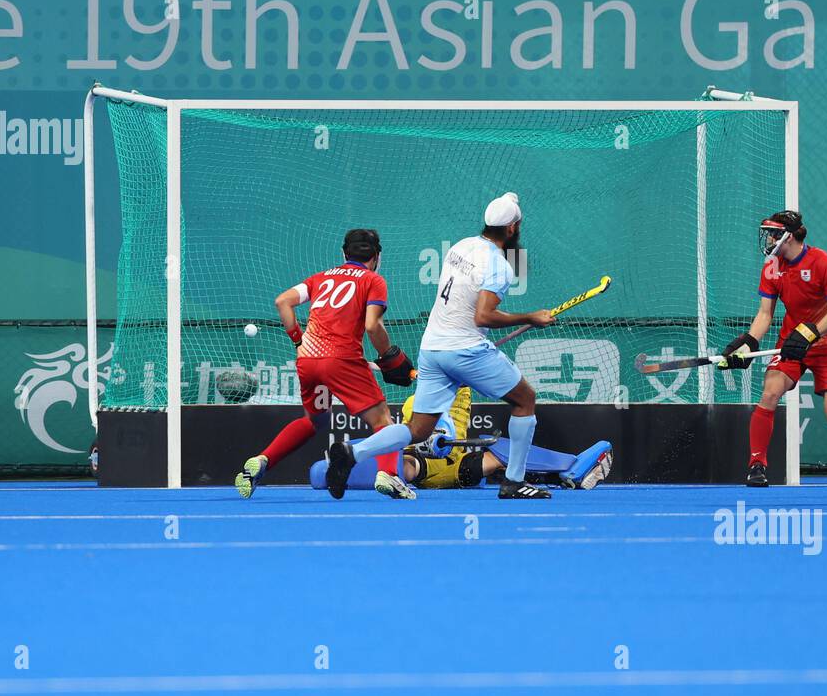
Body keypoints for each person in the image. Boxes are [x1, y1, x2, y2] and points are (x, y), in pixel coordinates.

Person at [322, 193, 558, 499]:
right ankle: (513, 481)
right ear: (512, 228)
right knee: (525, 398)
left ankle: (352, 452)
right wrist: (530, 317)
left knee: (418, 429)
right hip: (466, 350)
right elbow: (483, 315)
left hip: (433, 349)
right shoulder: (499, 265)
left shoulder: (460, 246)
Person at [233, 228, 415, 500]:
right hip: (341, 359)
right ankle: (388, 474)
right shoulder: (373, 279)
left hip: (308, 359)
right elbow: (372, 326)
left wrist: (298, 340)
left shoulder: (321, 278)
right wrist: (388, 355)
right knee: (383, 422)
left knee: (314, 420)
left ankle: (262, 460)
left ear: (344, 253)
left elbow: (282, 301)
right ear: (377, 257)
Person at [721, 210, 827, 488]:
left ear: (790, 235)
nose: (769, 239)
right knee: (771, 391)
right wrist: (749, 341)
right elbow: (764, 314)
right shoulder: (771, 266)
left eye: (773, 233)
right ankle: (756, 465)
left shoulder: (824, 263)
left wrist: (811, 332)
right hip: (790, 343)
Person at [306, 386, 614, 493]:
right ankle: (568, 468)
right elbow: (426, 431)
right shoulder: (420, 398)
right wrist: (436, 439)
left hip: (460, 468)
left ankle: (568, 469)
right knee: (409, 466)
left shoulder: (462, 388)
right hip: (426, 465)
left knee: (496, 452)